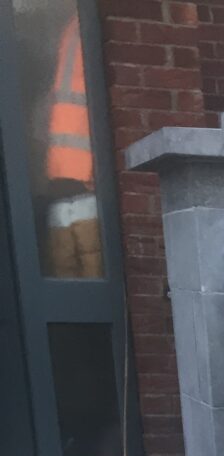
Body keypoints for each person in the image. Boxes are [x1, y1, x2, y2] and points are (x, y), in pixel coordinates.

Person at [43, 13, 103, 278]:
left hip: (61, 193)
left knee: (70, 281)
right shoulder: (83, 28)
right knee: (91, 278)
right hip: (85, 189)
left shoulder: (73, 31)